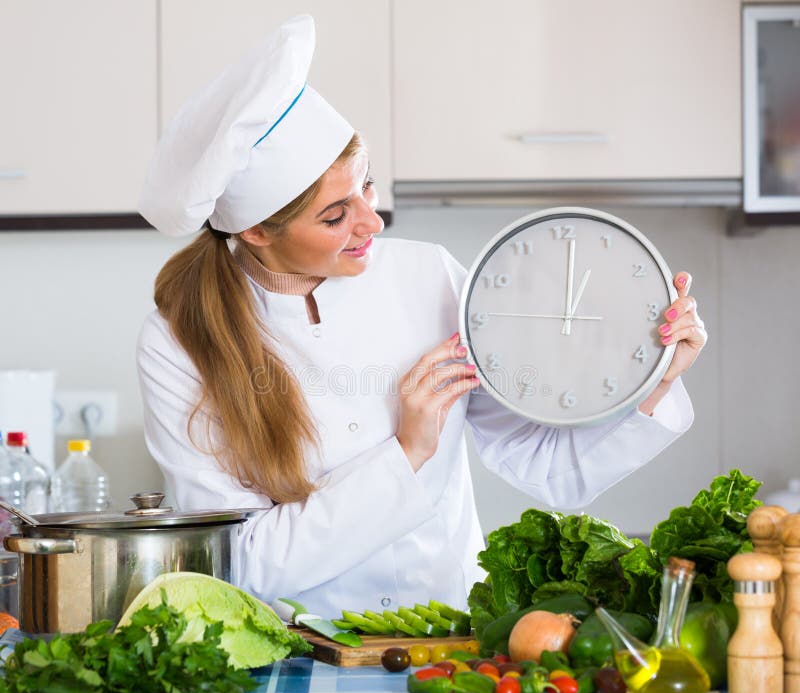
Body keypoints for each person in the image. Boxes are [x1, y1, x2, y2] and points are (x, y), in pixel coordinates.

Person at [136, 16, 707, 619]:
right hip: (293, 648)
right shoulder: (176, 343)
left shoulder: (429, 275)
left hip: (446, 636)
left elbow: (545, 465)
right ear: (255, 232)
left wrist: (654, 378)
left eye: (367, 187)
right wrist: (407, 451)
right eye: (335, 217)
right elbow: (239, 565)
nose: (372, 222)